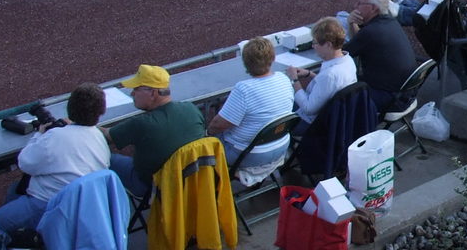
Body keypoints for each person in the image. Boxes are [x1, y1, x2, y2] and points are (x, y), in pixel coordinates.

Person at [0, 82, 111, 238]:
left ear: (70, 108)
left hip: (48, 206)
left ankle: (23, 243)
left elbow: (25, 163)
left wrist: (40, 135)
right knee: (15, 189)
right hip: (84, 207)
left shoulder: (54, 137)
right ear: (101, 111)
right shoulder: (98, 137)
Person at [108, 65, 206, 200]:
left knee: (106, 158)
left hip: (152, 186)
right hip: (191, 178)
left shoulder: (142, 123)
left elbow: (108, 137)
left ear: (153, 93)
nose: (132, 94)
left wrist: (85, 122)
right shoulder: (191, 109)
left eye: (136, 89)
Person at [208, 37, 295, 175]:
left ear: (245, 62)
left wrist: (207, 134)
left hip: (248, 155)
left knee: (205, 141)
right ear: (273, 58)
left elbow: (218, 125)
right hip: (281, 147)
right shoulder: (284, 79)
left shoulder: (244, 89)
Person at [348, 0, 420, 111]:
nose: (355, 6)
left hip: (390, 98)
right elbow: (359, 41)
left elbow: (341, 55)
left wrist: (350, 22)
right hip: (406, 94)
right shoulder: (391, 22)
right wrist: (352, 24)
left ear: (373, 8)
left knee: (339, 91)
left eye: (360, 3)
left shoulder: (370, 32)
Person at [291, 17, 357, 127]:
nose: (313, 46)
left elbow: (308, 109)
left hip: (314, 124)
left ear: (328, 45)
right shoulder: (348, 60)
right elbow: (330, 87)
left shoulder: (330, 75)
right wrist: (309, 74)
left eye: (315, 42)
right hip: (338, 118)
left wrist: (294, 80)